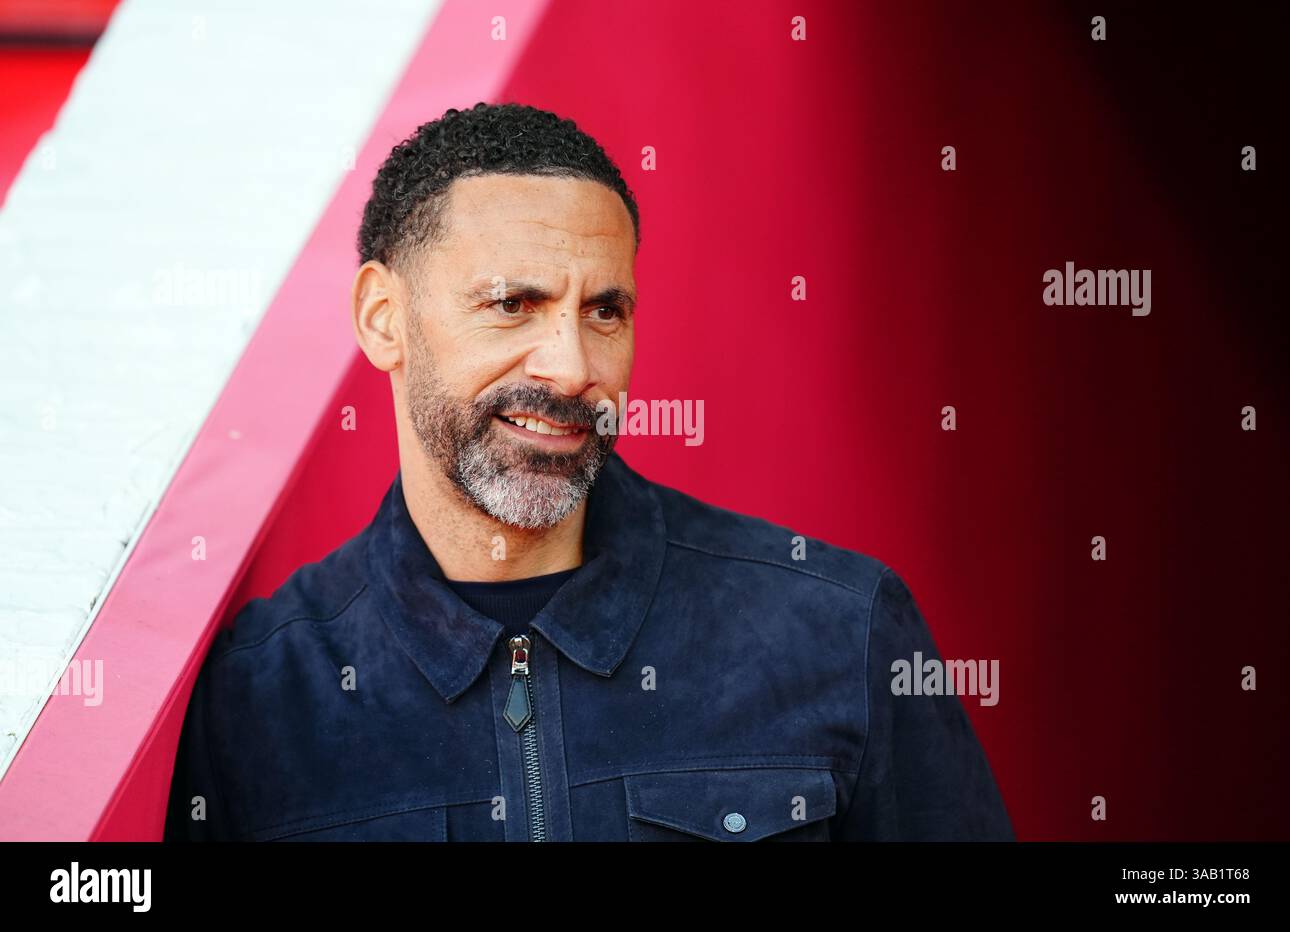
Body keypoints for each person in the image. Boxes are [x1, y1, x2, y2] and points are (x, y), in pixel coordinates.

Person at [165, 102, 1014, 842]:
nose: (572, 368)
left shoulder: (841, 629)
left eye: (605, 311)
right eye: (513, 305)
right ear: (384, 319)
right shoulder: (259, 693)